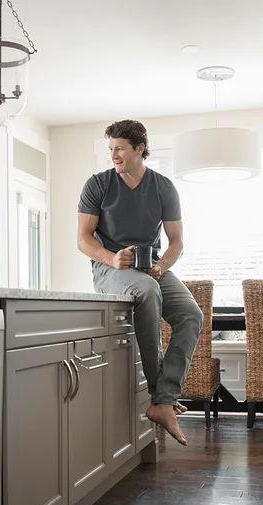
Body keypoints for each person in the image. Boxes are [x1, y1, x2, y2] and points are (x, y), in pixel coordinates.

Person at [77, 119, 203, 446]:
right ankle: (160, 397)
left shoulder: (163, 187)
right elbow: (83, 239)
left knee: (192, 315)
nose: (114, 155)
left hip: (151, 266)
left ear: (140, 149)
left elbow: (176, 241)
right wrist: (112, 258)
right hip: (110, 269)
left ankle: (163, 399)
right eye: (111, 149)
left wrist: (162, 266)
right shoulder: (98, 185)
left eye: (119, 148)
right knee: (146, 292)